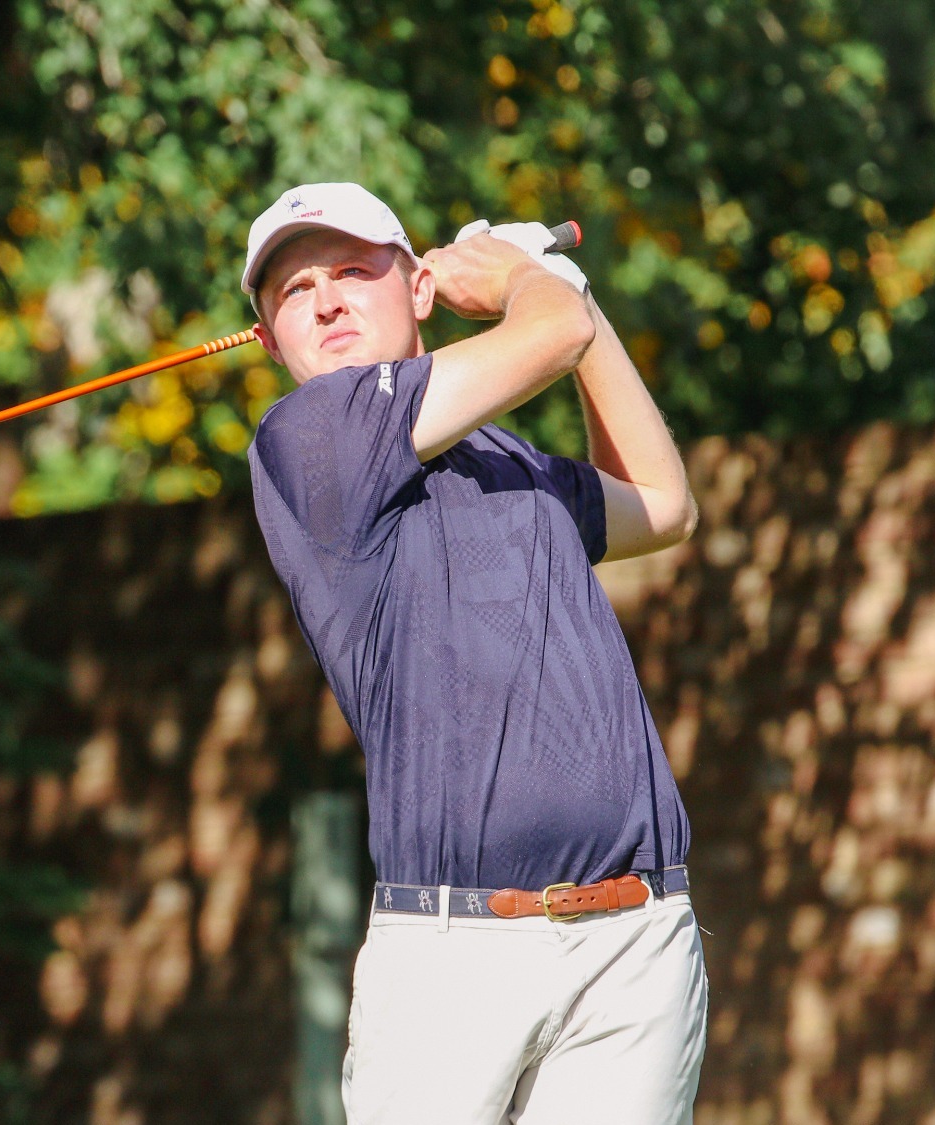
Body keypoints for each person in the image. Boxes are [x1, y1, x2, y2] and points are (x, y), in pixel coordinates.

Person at [240, 182, 707, 1124]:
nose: (325, 299)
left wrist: (570, 294)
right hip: (452, 955)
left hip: (636, 939)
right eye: (293, 290)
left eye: (353, 271)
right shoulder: (312, 434)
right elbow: (544, 335)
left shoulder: (505, 459)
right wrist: (531, 285)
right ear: (267, 339)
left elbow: (663, 503)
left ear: (418, 289)